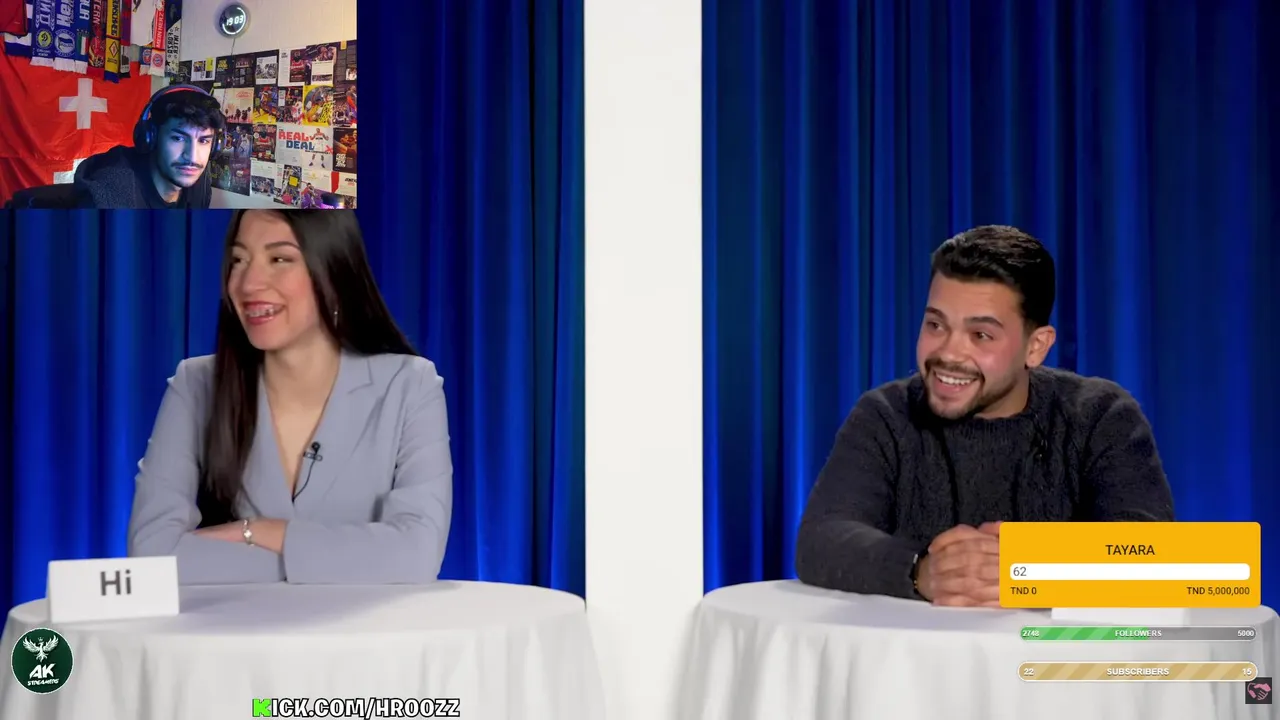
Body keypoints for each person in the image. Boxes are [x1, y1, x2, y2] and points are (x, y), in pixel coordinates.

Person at [794, 225, 1174, 606]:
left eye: (981, 335)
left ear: (1036, 347)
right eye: (936, 325)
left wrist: (1029, 567)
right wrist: (919, 570)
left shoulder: (1100, 417)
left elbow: (1154, 553)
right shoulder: (886, 415)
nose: (949, 353)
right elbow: (822, 537)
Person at [127, 210, 453, 585]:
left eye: (280, 258)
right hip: (236, 624)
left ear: (332, 270)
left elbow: (417, 554)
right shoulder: (196, 385)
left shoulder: (410, 386)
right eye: (238, 260)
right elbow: (151, 557)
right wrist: (344, 561)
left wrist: (259, 532)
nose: (249, 283)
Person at [73, 84, 225, 208]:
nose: (192, 157)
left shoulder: (198, 180)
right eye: (178, 138)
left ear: (214, 147)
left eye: (204, 141)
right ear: (150, 137)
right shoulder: (110, 196)